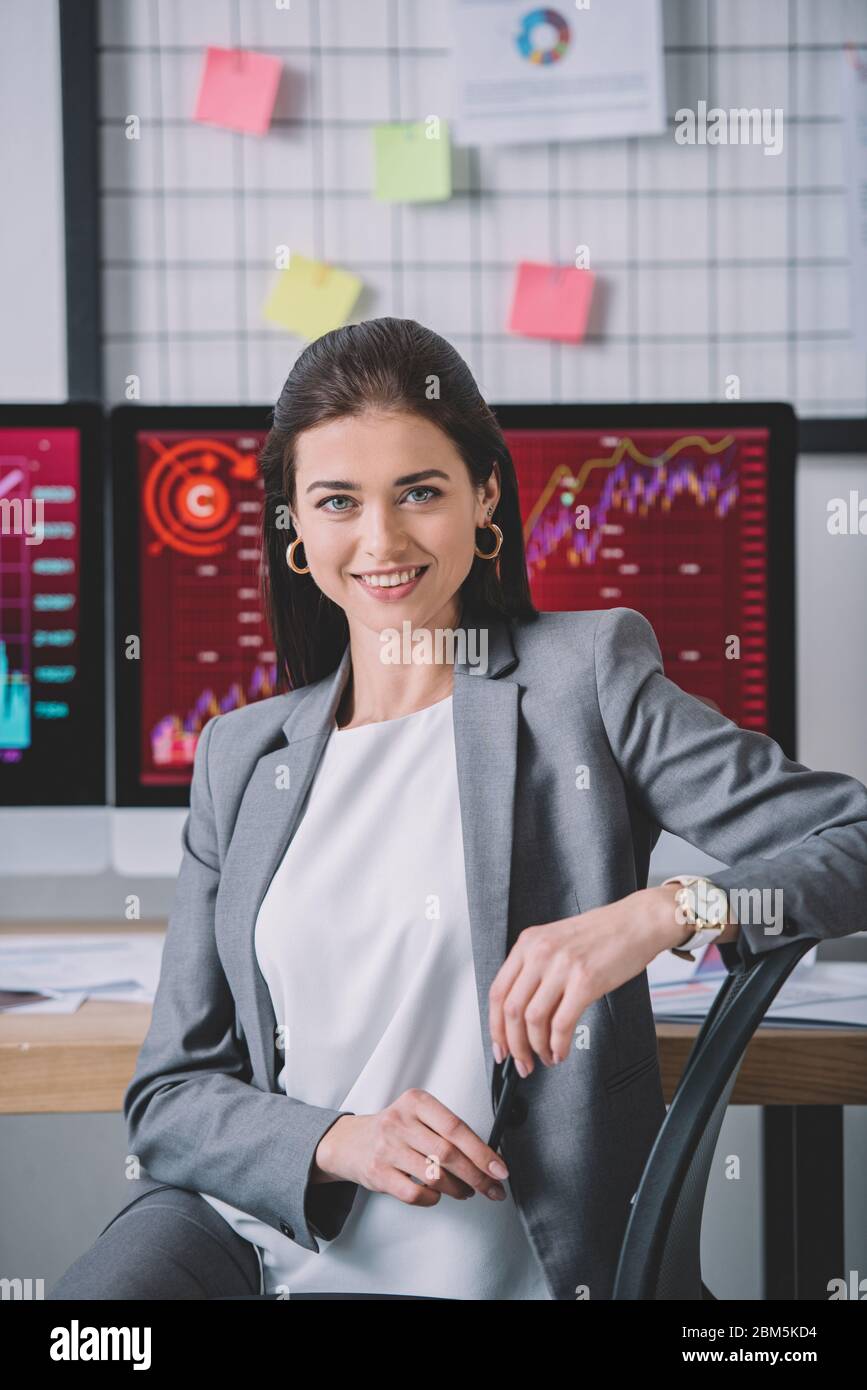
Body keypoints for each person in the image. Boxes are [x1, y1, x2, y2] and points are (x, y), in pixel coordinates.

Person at [49, 318, 867, 1301]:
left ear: (485, 497)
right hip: (261, 1247)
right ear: (295, 531)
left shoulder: (584, 681)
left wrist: (665, 911)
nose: (382, 540)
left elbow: (852, 842)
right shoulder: (240, 754)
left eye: (420, 492)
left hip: (511, 1266)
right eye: (338, 501)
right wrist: (342, 1139)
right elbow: (171, 1096)